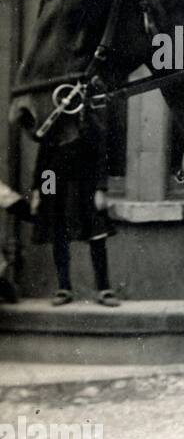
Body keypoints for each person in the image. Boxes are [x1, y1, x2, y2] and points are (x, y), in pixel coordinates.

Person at [27, 99, 120, 307]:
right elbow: (43, 158)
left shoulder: (90, 119)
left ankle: (104, 289)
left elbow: (101, 156)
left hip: (85, 182)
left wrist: (100, 188)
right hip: (53, 179)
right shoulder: (51, 120)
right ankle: (64, 288)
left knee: (96, 233)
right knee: (57, 232)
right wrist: (38, 191)